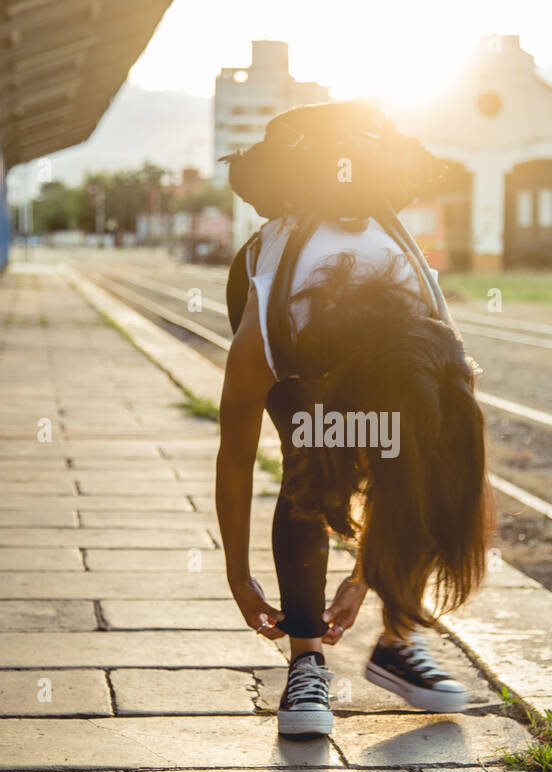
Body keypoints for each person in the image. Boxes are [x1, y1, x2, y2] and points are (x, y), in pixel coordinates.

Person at [215, 119, 494, 740]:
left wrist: (369, 578)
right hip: (300, 338)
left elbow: (418, 473)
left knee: (422, 468)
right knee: (311, 462)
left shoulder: (436, 348)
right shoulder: (269, 336)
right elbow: (235, 457)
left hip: (382, 346)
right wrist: (238, 576)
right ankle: (306, 659)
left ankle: (398, 641)